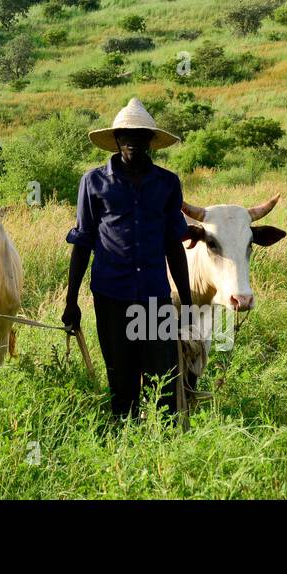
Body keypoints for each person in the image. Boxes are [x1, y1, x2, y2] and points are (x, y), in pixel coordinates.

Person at [61, 98, 201, 419]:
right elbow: (82, 242)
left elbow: (174, 245)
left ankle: (163, 446)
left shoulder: (166, 183)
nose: (132, 142)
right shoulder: (93, 182)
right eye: (126, 135)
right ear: (116, 139)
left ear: (151, 141)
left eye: (140, 136)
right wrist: (71, 301)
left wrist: (189, 304)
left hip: (155, 296)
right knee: (121, 381)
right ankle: (125, 441)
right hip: (111, 296)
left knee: (163, 381)